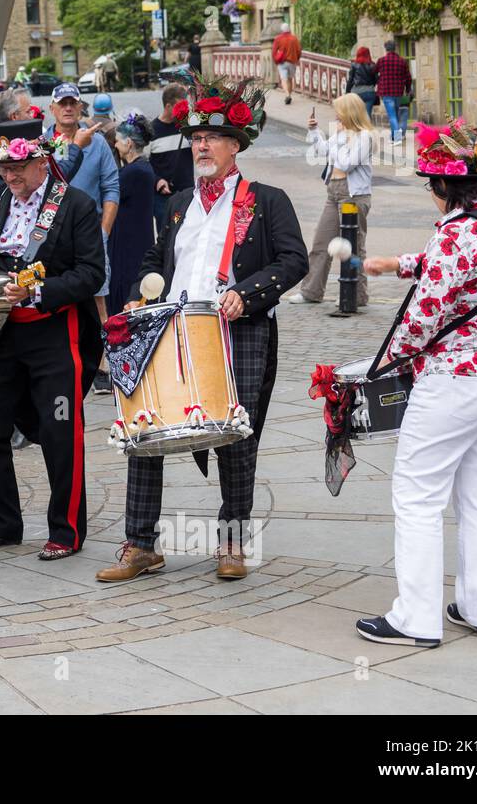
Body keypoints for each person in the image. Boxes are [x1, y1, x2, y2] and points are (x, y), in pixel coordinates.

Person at [96, 76, 308, 583]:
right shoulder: (177, 205)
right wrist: (139, 290)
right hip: (170, 332)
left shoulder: (267, 199)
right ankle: (140, 545)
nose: (201, 146)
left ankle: (232, 545)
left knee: (236, 437)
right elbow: (154, 258)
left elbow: (293, 260)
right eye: (196, 139)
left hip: (239, 328)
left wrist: (247, 293)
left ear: (236, 146)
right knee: (145, 430)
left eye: (212, 138)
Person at [355, 119, 477, 648]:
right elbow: (473, 269)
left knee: (417, 495)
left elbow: (420, 321)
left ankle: (416, 618)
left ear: (442, 188)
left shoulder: (455, 234)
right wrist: (400, 263)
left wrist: (378, 368)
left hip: (455, 384)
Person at [0, 126, 105, 560]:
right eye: (3, 166)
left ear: (43, 163)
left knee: (61, 431)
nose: (9, 175)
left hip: (55, 329)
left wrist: (37, 291)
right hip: (1, 329)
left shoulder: (75, 204)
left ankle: (66, 530)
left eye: (18, 166)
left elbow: (91, 273)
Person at [47, 82, 118, 389]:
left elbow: (111, 188)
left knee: (99, 298)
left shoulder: (98, 143)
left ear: (80, 108)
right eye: (61, 103)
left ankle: (106, 363)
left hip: (90, 231)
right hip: (53, 234)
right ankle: (63, 358)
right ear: (52, 108)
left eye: (72, 103)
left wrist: (103, 232)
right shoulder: (42, 144)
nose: (67, 108)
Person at [292, 93, 374, 307]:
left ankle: (357, 294)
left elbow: (347, 164)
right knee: (321, 242)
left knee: (353, 246)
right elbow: (321, 151)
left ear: (349, 112)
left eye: (339, 110)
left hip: (354, 194)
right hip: (334, 191)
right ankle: (311, 291)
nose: (336, 115)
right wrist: (314, 131)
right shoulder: (340, 133)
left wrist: (338, 141)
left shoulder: (364, 136)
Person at [106, 114, 156, 316]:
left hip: (128, 243)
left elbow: (108, 192)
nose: (116, 146)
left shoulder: (133, 172)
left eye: (117, 141)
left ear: (128, 143)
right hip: (134, 238)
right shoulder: (142, 168)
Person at [148, 84, 194, 235]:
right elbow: (144, 164)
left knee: (187, 233)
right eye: (180, 106)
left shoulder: (187, 127)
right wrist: (157, 181)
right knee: (166, 236)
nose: (184, 110)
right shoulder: (151, 132)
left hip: (187, 193)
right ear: (168, 106)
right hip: (163, 197)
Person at [376, 39, 414, 146]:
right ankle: (393, 137)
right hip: (398, 93)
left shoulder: (381, 61)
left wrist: (379, 81)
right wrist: (407, 89)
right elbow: (408, 77)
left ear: (386, 49)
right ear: (394, 48)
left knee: (392, 116)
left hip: (386, 92)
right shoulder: (402, 61)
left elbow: (373, 72)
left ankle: (397, 138)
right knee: (395, 115)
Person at [344, 46, 379, 120]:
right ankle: (367, 130)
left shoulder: (354, 65)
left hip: (356, 93)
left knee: (357, 115)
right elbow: (376, 80)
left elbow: (350, 80)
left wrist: (347, 92)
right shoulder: (372, 65)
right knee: (367, 115)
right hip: (369, 92)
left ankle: (358, 130)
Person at [272, 22, 301, 105]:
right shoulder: (294, 38)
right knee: (290, 79)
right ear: (289, 29)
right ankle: (289, 95)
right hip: (292, 61)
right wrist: (296, 59)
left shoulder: (278, 39)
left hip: (282, 62)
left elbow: (274, 51)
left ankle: (287, 94)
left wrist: (276, 60)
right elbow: (299, 51)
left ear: (282, 30)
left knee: (283, 79)